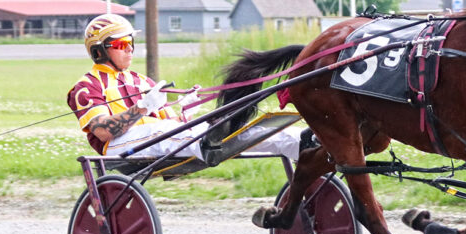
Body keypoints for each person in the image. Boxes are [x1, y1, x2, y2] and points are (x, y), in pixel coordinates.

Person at [67, 13, 303, 164]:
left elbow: (173, 126)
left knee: (228, 130)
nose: (130, 49)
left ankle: (301, 143)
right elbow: (103, 133)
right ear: (99, 50)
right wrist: (142, 108)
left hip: (161, 137)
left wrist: (186, 112)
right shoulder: (86, 87)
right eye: (121, 43)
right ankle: (207, 142)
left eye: (131, 42)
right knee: (177, 132)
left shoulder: (143, 82)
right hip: (119, 146)